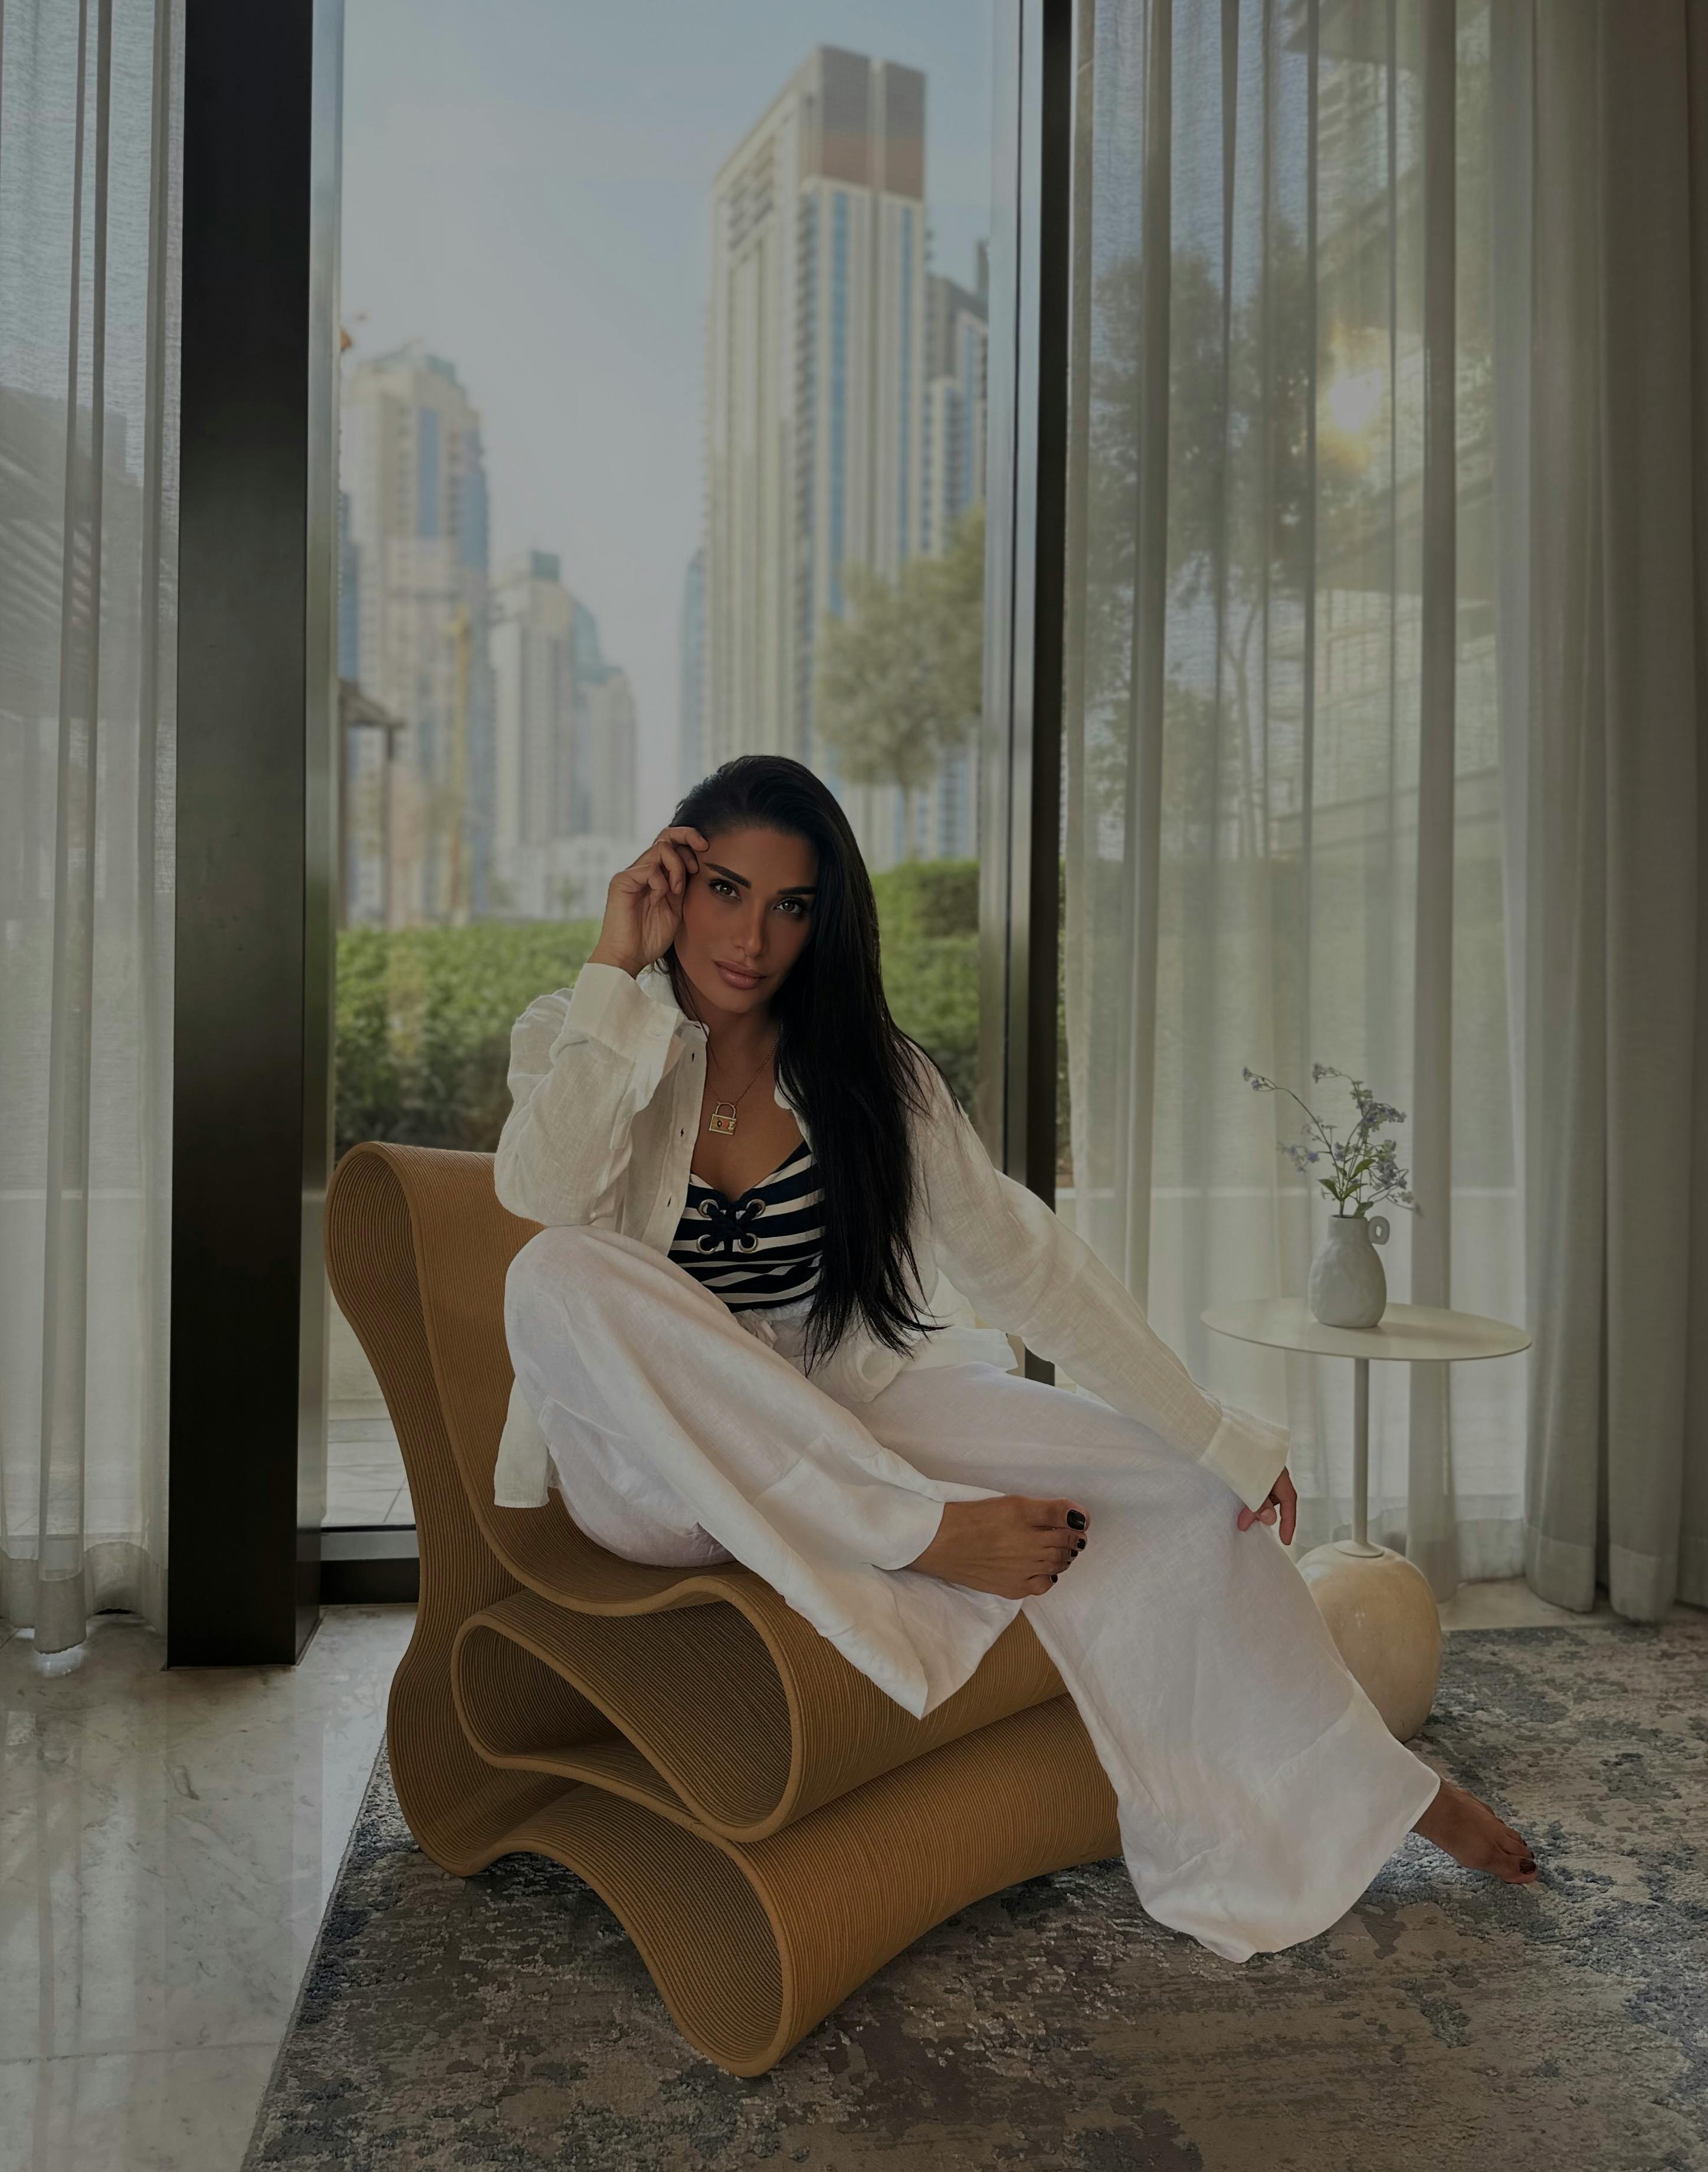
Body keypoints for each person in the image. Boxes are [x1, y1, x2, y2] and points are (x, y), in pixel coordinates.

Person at [494, 754, 1537, 1964]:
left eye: (791, 905)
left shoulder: (872, 1077)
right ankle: (915, 1530)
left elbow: (1029, 1269)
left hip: (831, 1409)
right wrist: (613, 965)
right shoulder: (582, 1028)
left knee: (1179, 1488)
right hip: (655, 1478)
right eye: (725, 890)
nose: (751, 938)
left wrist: (1215, 1436)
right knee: (552, 1271)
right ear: (673, 883)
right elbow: (541, 1193)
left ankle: (1376, 1790)